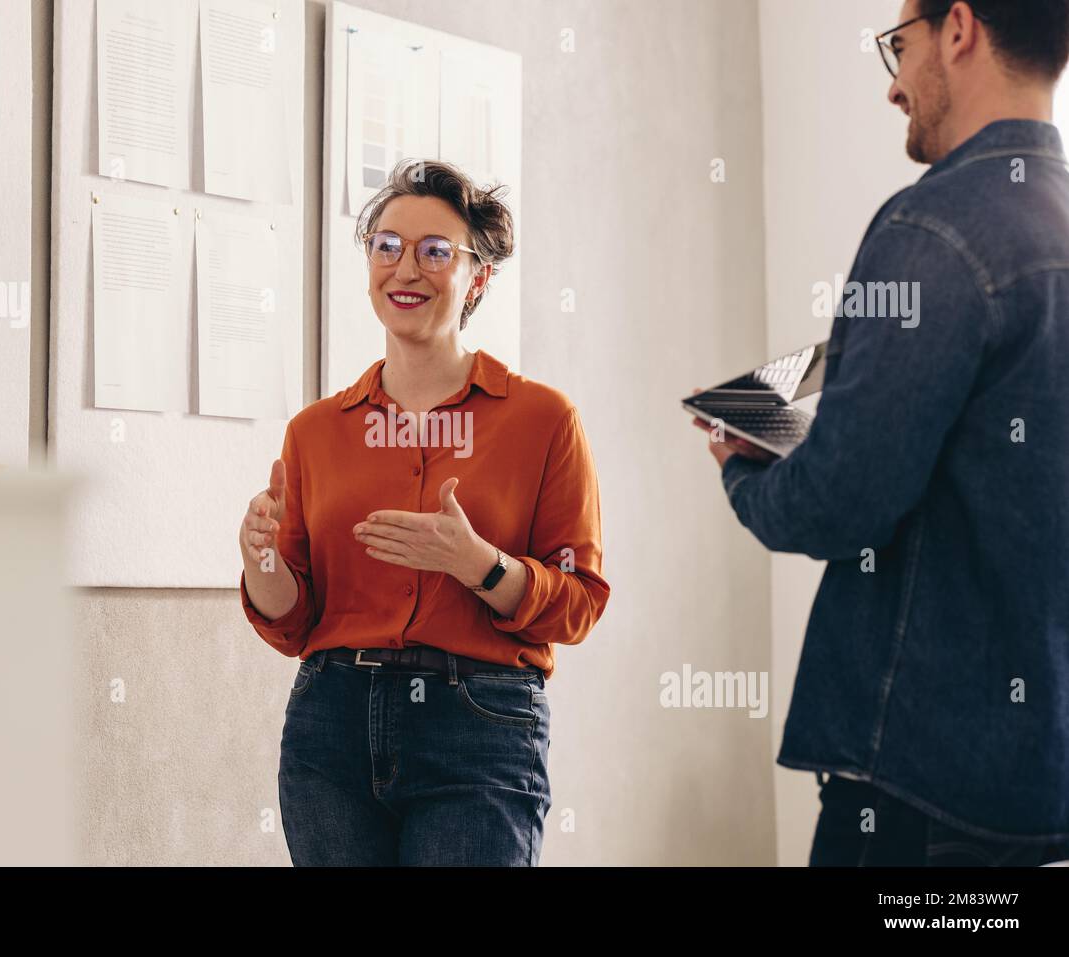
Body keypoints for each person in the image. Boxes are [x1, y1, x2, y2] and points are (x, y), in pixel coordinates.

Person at [695, 0, 1069, 866]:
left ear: (960, 28)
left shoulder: (929, 229)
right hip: (1039, 786)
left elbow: (839, 501)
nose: (894, 88)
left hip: (922, 795)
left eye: (897, 47)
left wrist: (742, 466)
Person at [238, 159, 609, 866]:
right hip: (331, 725)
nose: (406, 268)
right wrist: (260, 558)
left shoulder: (543, 419)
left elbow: (580, 604)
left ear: (477, 277)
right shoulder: (314, 431)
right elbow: (292, 621)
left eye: (436, 251)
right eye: (387, 245)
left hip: (479, 724)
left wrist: (481, 566)